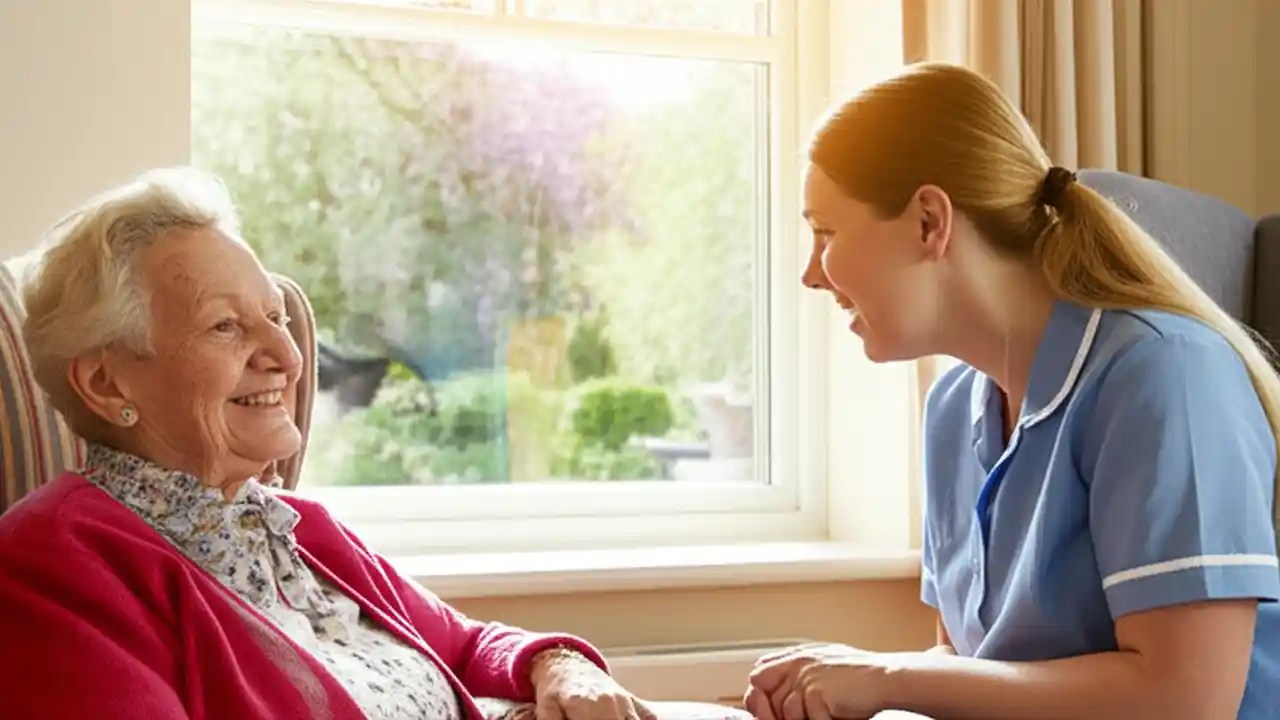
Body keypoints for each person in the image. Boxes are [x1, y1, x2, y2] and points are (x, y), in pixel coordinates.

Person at [0, 168, 658, 720]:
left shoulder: (300, 531)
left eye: (277, 318)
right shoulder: (54, 566)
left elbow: (468, 644)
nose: (286, 356)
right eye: (227, 326)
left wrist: (560, 666)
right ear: (105, 379)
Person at [744, 62, 1280, 720]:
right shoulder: (950, 412)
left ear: (928, 222)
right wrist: (844, 685)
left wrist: (889, 676)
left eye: (825, 232)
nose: (809, 274)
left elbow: (1186, 701)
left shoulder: (1168, 375)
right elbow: (973, 669)